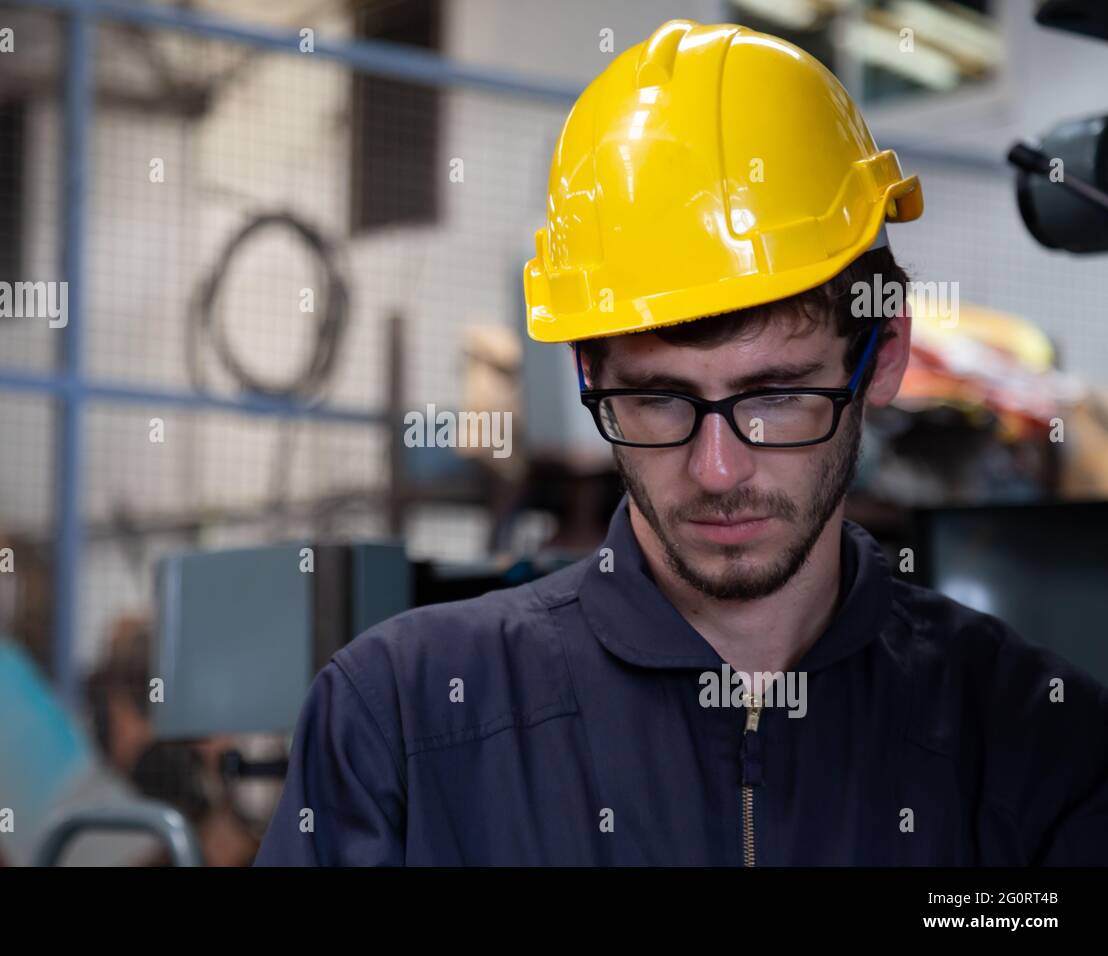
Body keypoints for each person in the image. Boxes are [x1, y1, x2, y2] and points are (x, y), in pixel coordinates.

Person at [254, 19, 1108, 865]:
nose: (718, 468)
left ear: (883, 355)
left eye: (775, 395)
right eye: (660, 400)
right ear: (588, 375)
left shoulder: (1036, 741)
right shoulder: (400, 724)